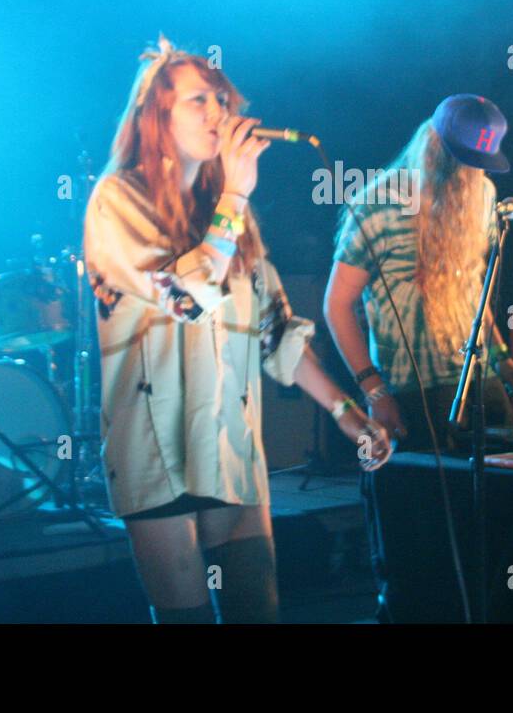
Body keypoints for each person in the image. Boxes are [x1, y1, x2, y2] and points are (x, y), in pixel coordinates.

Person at [84, 35, 392, 624]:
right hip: (157, 446)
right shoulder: (117, 201)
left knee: (259, 612)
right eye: (199, 101)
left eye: (221, 100)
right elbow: (184, 297)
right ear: (156, 116)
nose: (217, 113)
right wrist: (234, 193)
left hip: (230, 446)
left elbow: (276, 330)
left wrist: (347, 413)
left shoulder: (232, 214)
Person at [323, 94, 513, 451]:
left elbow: (471, 284)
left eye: (479, 163)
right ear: (436, 146)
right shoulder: (377, 204)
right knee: (424, 501)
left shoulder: (482, 193)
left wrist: (500, 355)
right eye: (465, 161)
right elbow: (337, 305)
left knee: (500, 496)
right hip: (410, 389)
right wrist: (374, 391)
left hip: (478, 377)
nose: (473, 173)